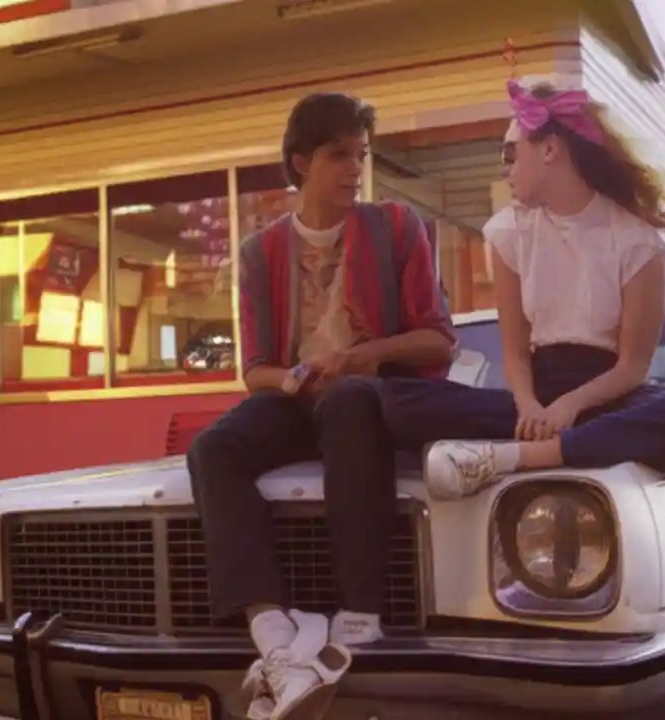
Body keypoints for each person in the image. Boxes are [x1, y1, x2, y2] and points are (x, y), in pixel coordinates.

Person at [186, 91, 455, 720]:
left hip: (373, 394)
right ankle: (270, 624)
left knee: (350, 402)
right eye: (339, 156)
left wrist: (356, 359)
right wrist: (296, 380)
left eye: (359, 155)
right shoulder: (260, 251)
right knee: (212, 446)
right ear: (301, 162)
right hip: (297, 396)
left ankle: (359, 615)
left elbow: (437, 339)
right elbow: (255, 369)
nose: (354, 170)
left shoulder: (395, 227)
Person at [379, 77, 665, 500]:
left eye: (511, 153)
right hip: (535, 402)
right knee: (389, 400)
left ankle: (515, 457)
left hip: (609, 400)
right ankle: (542, 444)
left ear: (550, 150)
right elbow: (516, 352)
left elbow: (631, 367)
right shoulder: (509, 232)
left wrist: (569, 407)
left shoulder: (636, 243)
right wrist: (529, 406)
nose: (505, 168)